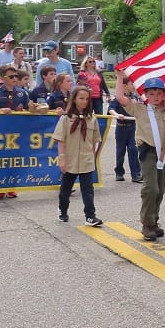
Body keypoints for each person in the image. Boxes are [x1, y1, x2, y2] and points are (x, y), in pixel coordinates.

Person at [113, 71, 165, 241]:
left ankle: (154, 221)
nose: (155, 96)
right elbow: (121, 98)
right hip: (148, 152)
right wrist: (119, 78)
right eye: (151, 93)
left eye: (159, 93)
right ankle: (146, 224)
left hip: (164, 153)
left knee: (160, 189)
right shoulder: (141, 109)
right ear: (145, 94)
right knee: (150, 188)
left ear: (164, 94)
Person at [52, 84, 105, 227]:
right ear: (74, 99)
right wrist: (62, 158)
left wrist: (93, 154)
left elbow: (96, 139)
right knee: (66, 189)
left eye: (87, 99)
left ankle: (90, 216)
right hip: (70, 159)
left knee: (88, 190)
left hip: (86, 159)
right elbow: (60, 139)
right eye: (81, 98)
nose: (84, 101)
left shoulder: (91, 119)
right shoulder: (66, 118)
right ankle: (62, 210)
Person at [107, 77, 143, 183]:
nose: (133, 86)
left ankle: (136, 174)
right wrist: (117, 114)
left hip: (132, 127)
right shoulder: (118, 98)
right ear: (124, 85)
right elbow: (111, 109)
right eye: (131, 84)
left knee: (133, 150)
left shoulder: (134, 97)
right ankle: (119, 172)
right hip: (121, 127)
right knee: (120, 151)